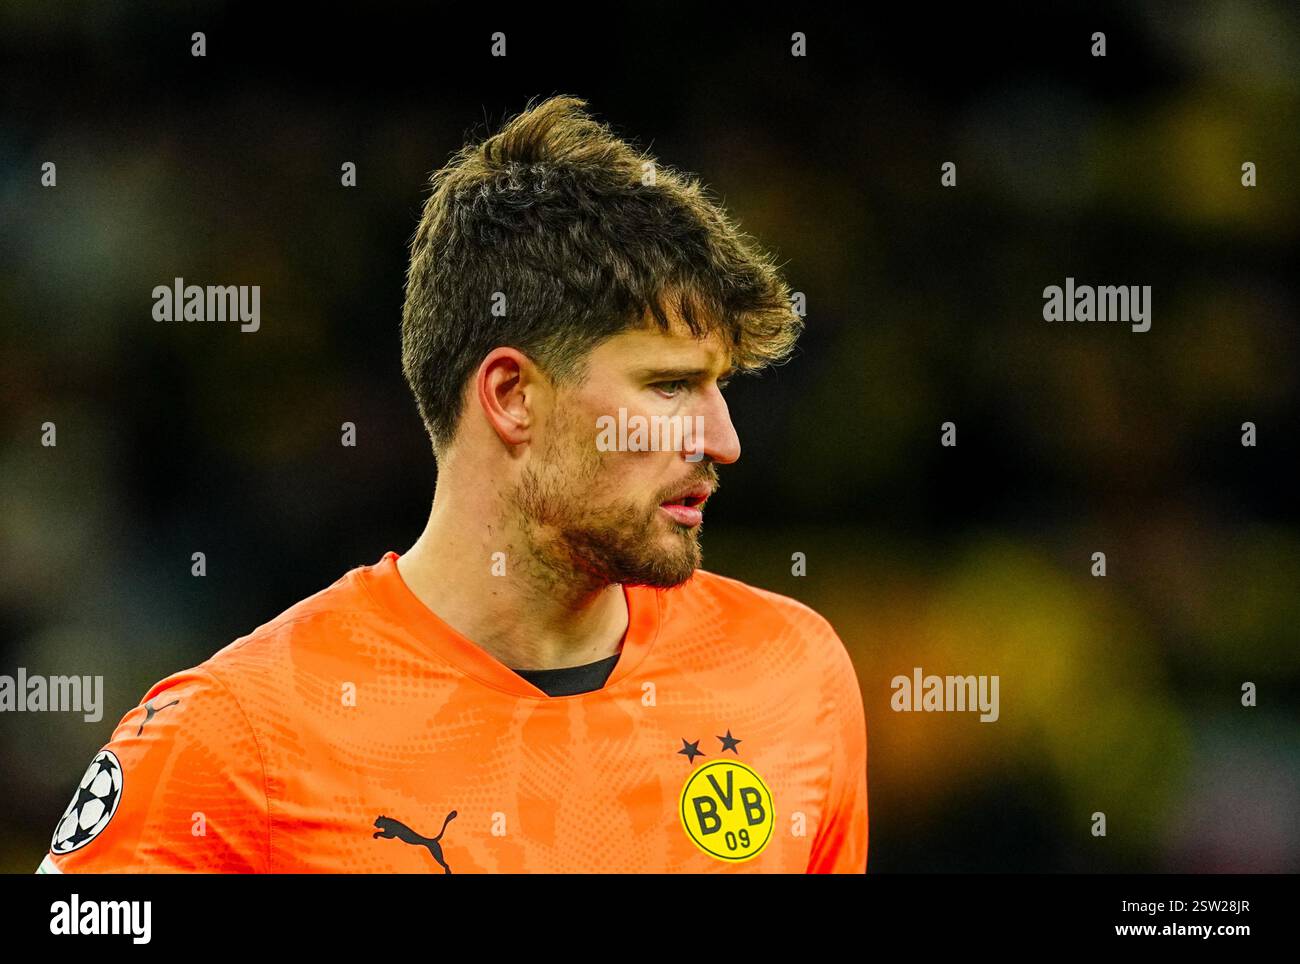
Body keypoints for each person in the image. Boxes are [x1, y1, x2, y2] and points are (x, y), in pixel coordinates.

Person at [38, 95, 867, 873]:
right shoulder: (234, 742)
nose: (723, 440)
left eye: (720, 387)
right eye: (669, 386)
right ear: (512, 397)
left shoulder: (793, 676)